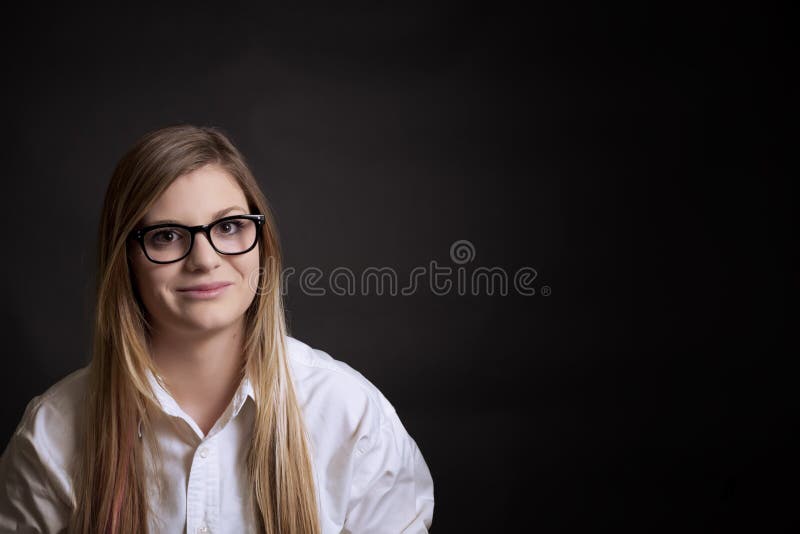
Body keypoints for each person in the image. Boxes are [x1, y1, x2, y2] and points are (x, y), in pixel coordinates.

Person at [0, 124, 435, 533]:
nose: (204, 259)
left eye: (229, 227)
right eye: (167, 236)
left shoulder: (351, 418)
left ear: (262, 244)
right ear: (126, 260)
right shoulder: (52, 435)